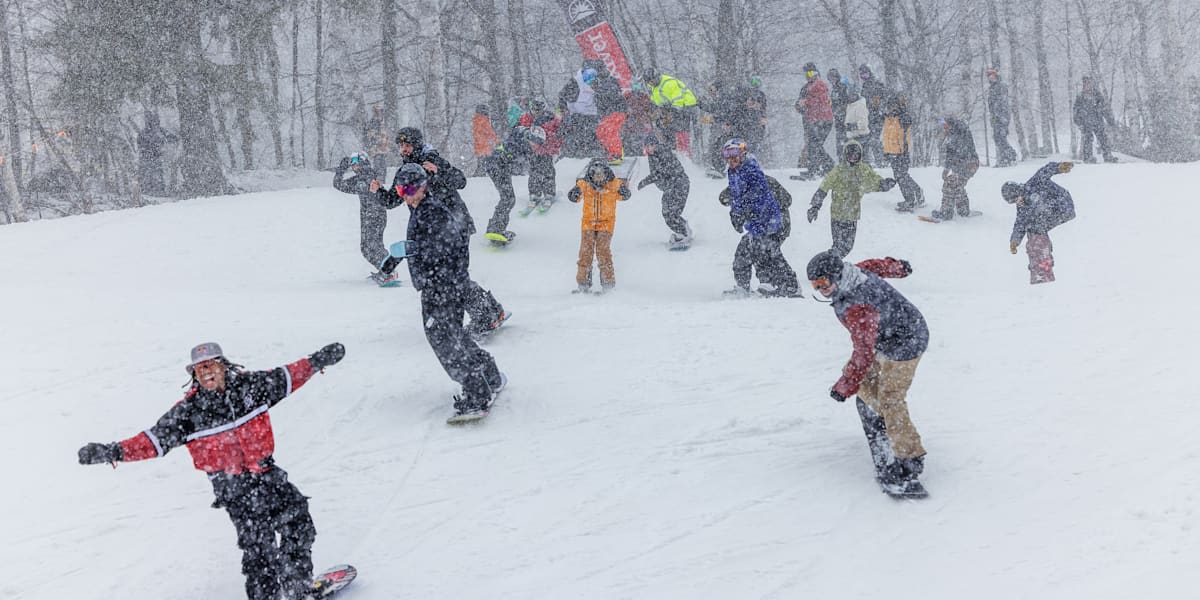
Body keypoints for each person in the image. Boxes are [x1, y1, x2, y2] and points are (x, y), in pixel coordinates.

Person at [77, 341, 347, 600]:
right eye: (199, 368)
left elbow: (288, 375)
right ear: (194, 375)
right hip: (234, 487)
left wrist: (317, 361)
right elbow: (153, 441)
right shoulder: (189, 413)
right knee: (259, 548)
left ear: (223, 365)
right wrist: (112, 451)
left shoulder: (253, 387)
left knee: (297, 523)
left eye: (210, 365)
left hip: (267, 474)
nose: (205, 371)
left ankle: (297, 589)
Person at [377, 164, 507, 418]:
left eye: (410, 189)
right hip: (443, 284)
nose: (404, 194)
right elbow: (428, 245)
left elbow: (448, 248)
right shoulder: (422, 210)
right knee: (454, 335)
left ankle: (476, 392)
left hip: (442, 286)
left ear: (423, 186)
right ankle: (488, 374)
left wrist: (415, 252)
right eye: (401, 189)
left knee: (443, 341)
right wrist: (401, 254)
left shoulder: (432, 212)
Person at [805, 251, 929, 496]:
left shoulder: (858, 306)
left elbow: (863, 353)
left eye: (823, 283)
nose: (821, 290)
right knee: (865, 383)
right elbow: (876, 266)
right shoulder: (854, 274)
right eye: (815, 285)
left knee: (890, 397)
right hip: (887, 336)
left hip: (908, 340)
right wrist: (898, 268)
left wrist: (844, 387)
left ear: (837, 276)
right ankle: (879, 411)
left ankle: (910, 459)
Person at [390, 127, 509, 338]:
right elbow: (391, 200)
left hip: (454, 225)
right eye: (400, 145)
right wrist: (373, 190)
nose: (404, 149)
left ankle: (485, 317)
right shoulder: (407, 169)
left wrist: (439, 171)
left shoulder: (431, 159)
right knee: (451, 278)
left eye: (407, 145)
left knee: (454, 278)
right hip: (432, 231)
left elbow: (461, 181)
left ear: (416, 144)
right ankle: (491, 310)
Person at [722, 138, 800, 297]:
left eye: (735, 157)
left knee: (765, 251)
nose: (731, 161)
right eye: (728, 157)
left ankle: (787, 285)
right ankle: (743, 287)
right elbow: (736, 196)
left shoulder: (752, 170)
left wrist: (747, 210)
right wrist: (735, 213)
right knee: (743, 252)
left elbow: (758, 194)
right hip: (755, 224)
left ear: (743, 155)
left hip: (768, 222)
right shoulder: (733, 173)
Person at [806, 140, 896, 258]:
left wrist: (884, 184)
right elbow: (824, 187)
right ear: (845, 155)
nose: (853, 158)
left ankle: (829, 263)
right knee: (839, 246)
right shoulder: (838, 171)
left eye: (856, 155)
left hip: (852, 214)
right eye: (850, 155)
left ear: (860, 156)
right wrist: (815, 206)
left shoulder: (863, 170)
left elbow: (873, 181)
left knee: (847, 247)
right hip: (837, 215)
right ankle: (828, 264)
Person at [1002, 162, 1077, 284]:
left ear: (1018, 190)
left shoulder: (1033, 183)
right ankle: (1042, 262)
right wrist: (1014, 241)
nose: (1018, 202)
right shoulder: (1022, 206)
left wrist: (1058, 168)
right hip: (1051, 212)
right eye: (1013, 202)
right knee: (1031, 228)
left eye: (1016, 198)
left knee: (1036, 224)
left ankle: (1043, 254)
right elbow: (1020, 223)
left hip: (1062, 204)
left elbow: (1045, 170)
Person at [333, 152, 399, 286]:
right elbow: (338, 184)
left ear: (363, 162)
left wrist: (379, 160)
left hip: (374, 216)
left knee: (368, 248)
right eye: (352, 165)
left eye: (356, 164)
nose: (354, 167)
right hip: (369, 216)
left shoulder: (368, 177)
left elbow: (378, 174)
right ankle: (387, 270)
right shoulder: (360, 178)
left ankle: (388, 271)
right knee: (373, 246)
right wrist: (340, 170)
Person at [568, 158, 631, 293]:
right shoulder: (585, 184)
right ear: (591, 175)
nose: (598, 179)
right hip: (588, 223)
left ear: (606, 174)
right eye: (595, 175)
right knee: (585, 253)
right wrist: (575, 193)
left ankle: (608, 283)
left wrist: (622, 189)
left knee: (603, 252)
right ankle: (583, 283)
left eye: (601, 175)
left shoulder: (613, 184)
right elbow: (573, 197)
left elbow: (625, 195)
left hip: (606, 224)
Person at [637, 133, 692, 248]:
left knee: (671, 212)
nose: (646, 149)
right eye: (645, 147)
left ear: (654, 145)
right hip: (670, 187)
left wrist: (645, 182)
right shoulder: (652, 156)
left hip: (678, 185)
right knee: (667, 212)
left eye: (648, 146)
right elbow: (656, 173)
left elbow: (660, 173)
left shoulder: (662, 152)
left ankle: (683, 233)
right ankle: (682, 229)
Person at [880, 91, 925, 212]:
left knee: (901, 177)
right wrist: (886, 152)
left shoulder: (903, 117)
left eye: (893, 105)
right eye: (889, 106)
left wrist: (901, 112)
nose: (891, 108)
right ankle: (918, 193)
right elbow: (887, 136)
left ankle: (910, 200)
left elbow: (907, 124)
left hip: (902, 153)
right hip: (892, 152)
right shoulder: (887, 118)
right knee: (902, 176)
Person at [931, 117, 980, 221]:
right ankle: (962, 210)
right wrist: (946, 169)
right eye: (942, 125)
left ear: (950, 124)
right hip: (960, 165)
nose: (943, 128)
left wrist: (960, 167)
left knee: (951, 184)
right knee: (955, 185)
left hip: (969, 164)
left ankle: (947, 212)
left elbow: (963, 151)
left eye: (945, 125)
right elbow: (950, 155)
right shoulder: (951, 135)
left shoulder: (960, 132)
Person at [517, 99, 563, 207]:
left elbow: (560, 132)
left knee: (548, 171)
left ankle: (549, 193)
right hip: (532, 150)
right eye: (534, 110)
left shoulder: (551, 118)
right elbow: (519, 131)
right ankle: (534, 193)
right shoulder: (525, 119)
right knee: (534, 172)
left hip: (547, 149)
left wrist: (555, 143)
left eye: (539, 110)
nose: (536, 112)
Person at [642, 69, 699, 155]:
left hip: (686, 105)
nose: (651, 83)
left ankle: (684, 151)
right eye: (649, 82)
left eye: (652, 80)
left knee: (679, 125)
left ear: (657, 77)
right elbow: (655, 102)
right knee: (661, 125)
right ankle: (671, 149)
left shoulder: (669, 83)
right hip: (669, 106)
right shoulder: (653, 88)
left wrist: (671, 114)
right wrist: (654, 113)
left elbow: (678, 100)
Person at [794, 62, 834, 177]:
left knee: (814, 144)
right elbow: (803, 103)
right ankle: (823, 166)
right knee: (814, 144)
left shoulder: (819, 84)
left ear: (816, 73)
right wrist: (800, 105)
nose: (808, 75)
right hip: (815, 120)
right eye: (806, 73)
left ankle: (820, 167)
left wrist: (805, 102)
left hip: (823, 120)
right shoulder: (808, 86)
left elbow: (820, 101)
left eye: (810, 73)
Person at [558, 62, 603, 158]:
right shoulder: (575, 82)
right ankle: (576, 153)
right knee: (578, 134)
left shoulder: (598, 83)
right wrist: (564, 110)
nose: (591, 84)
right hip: (577, 114)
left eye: (593, 82)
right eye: (589, 81)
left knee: (593, 134)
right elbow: (562, 96)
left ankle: (593, 153)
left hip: (592, 114)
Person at [1074, 75, 1117, 163]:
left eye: (1089, 83)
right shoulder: (1080, 96)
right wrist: (1078, 122)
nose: (1088, 85)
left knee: (1103, 138)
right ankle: (1088, 157)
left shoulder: (1098, 95)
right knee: (1087, 140)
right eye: (1086, 83)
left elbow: (1104, 108)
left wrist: (1110, 120)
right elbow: (1076, 110)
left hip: (1098, 121)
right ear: (1084, 84)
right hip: (1085, 123)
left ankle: (1108, 156)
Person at [986, 68, 1018, 167]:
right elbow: (991, 105)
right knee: (997, 138)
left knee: (1001, 138)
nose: (991, 77)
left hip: (1002, 116)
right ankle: (1005, 159)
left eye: (992, 75)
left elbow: (1003, 102)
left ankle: (1011, 156)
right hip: (995, 117)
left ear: (996, 76)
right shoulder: (992, 88)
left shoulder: (1001, 85)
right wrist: (993, 118)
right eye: (989, 76)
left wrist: (1002, 117)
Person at [137, 110, 174, 195]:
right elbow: (140, 144)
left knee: (155, 174)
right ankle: (151, 190)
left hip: (153, 157)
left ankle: (156, 190)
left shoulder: (158, 131)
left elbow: (171, 137)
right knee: (152, 174)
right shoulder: (147, 132)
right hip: (149, 157)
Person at [858, 65, 888, 166]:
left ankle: (881, 160)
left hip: (876, 116)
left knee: (874, 138)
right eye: (862, 75)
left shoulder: (876, 84)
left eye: (865, 74)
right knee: (870, 138)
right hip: (868, 116)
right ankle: (877, 159)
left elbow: (882, 99)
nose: (864, 76)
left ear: (869, 73)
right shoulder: (865, 86)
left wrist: (879, 109)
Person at [828, 69, 851, 156]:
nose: (832, 80)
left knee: (844, 138)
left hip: (844, 117)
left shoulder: (842, 87)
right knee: (839, 138)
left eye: (833, 78)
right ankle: (841, 157)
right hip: (838, 117)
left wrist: (840, 109)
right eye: (830, 78)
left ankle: (845, 156)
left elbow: (845, 101)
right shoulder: (834, 89)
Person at [362, 104, 390, 178]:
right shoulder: (373, 122)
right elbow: (370, 136)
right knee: (378, 166)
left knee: (383, 167)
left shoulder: (383, 122)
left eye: (380, 111)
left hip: (384, 149)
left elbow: (386, 134)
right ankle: (377, 182)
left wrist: (386, 144)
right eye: (377, 111)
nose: (379, 113)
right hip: (376, 149)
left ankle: (382, 182)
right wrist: (375, 143)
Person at [472, 103, 500, 176]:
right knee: (486, 161)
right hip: (484, 144)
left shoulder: (476, 120)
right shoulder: (483, 120)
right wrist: (497, 140)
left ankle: (479, 173)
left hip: (478, 144)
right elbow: (489, 132)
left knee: (481, 161)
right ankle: (482, 173)